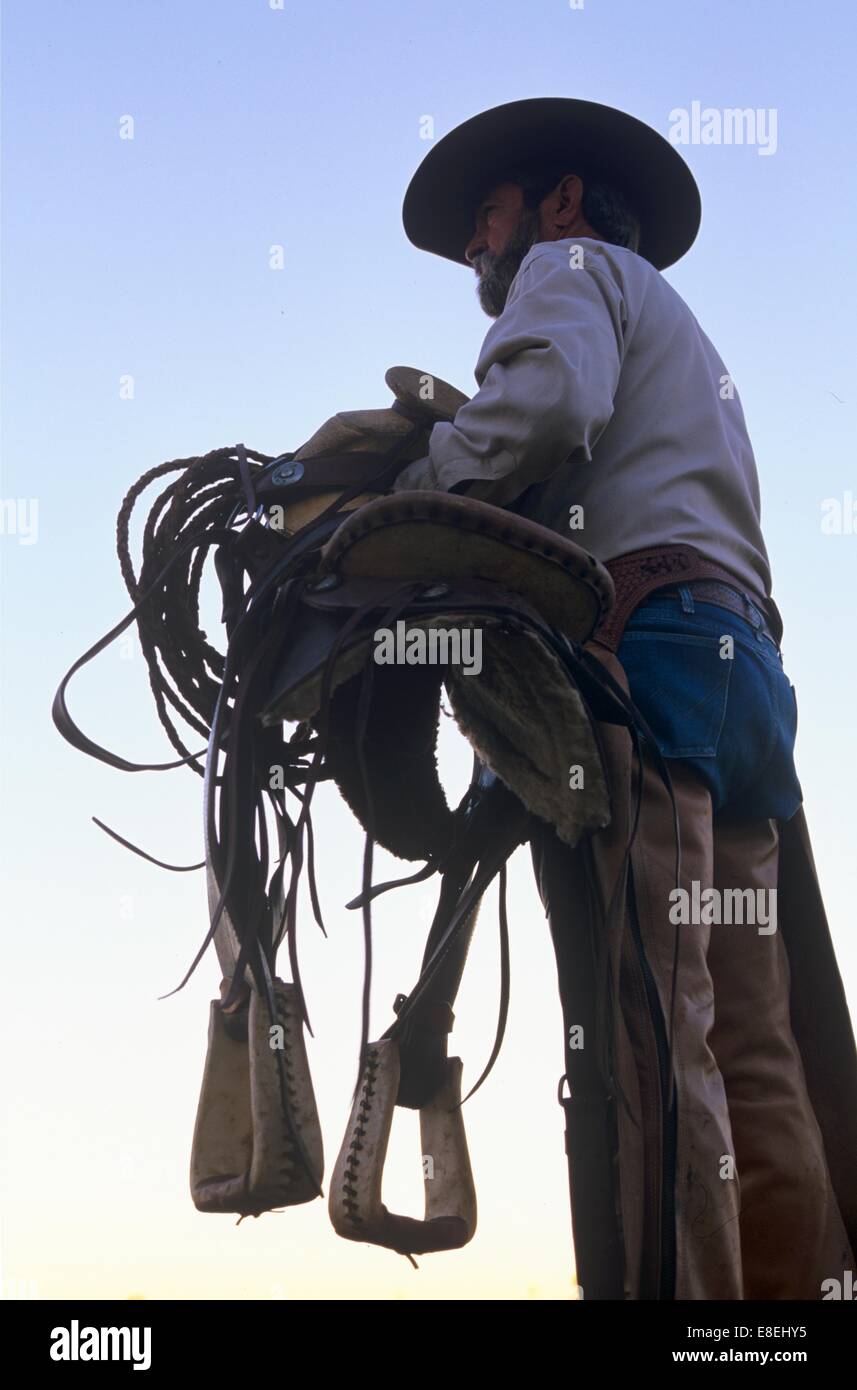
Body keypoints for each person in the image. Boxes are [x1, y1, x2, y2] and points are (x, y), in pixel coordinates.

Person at [392, 98, 857, 1299]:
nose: (475, 251)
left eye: (485, 218)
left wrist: (424, 478)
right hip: (740, 678)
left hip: (643, 653)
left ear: (556, 201)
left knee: (652, 1018)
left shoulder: (573, 265)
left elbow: (543, 407)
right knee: (755, 1044)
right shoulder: (693, 345)